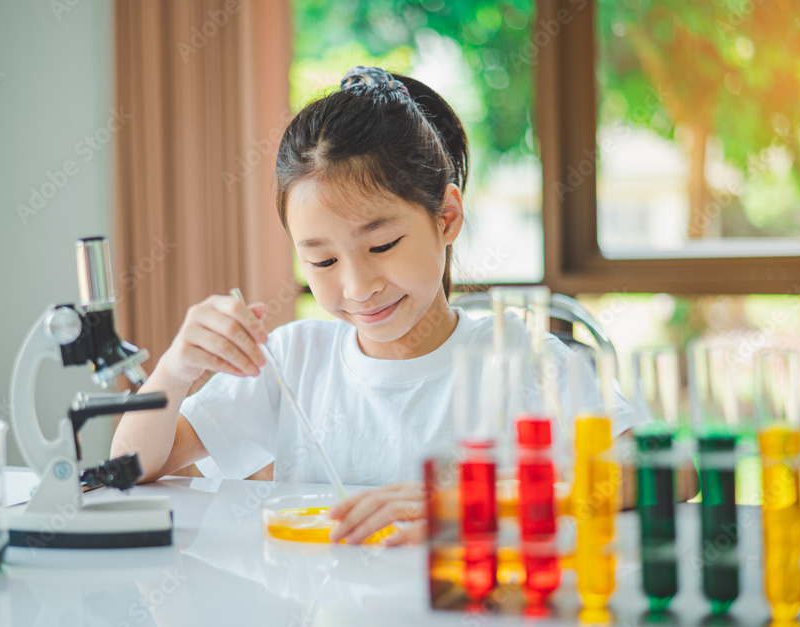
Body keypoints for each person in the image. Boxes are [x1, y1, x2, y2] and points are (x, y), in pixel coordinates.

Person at [110, 66, 643, 545]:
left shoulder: (515, 360)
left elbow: (658, 469)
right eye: (321, 262)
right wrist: (176, 370)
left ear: (447, 218)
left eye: (382, 245)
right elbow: (128, 468)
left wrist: (471, 505)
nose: (358, 286)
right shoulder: (295, 360)